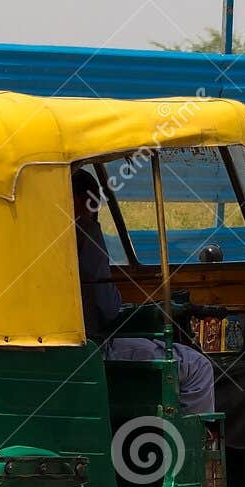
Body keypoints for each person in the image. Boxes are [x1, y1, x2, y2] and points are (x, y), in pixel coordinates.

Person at [72, 168, 216, 415]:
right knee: (197, 366)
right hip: (90, 351)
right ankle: (190, 446)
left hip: (56, 353)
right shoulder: (85, 233)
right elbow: (109, 310)